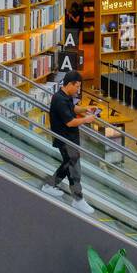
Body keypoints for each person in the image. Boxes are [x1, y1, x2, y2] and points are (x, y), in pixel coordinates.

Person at [43, 70, 97, 215]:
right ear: (70, 84)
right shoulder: (60, 100)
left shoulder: (64, 96)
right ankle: (78, 200)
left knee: (67, 165)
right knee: (74, 170)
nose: (78, 90)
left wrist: (85, 109)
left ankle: (49, 185)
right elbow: (70, 122)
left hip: (69, 139)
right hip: (65, 139)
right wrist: (86, 119)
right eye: (77, 87)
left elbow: (72, 108)